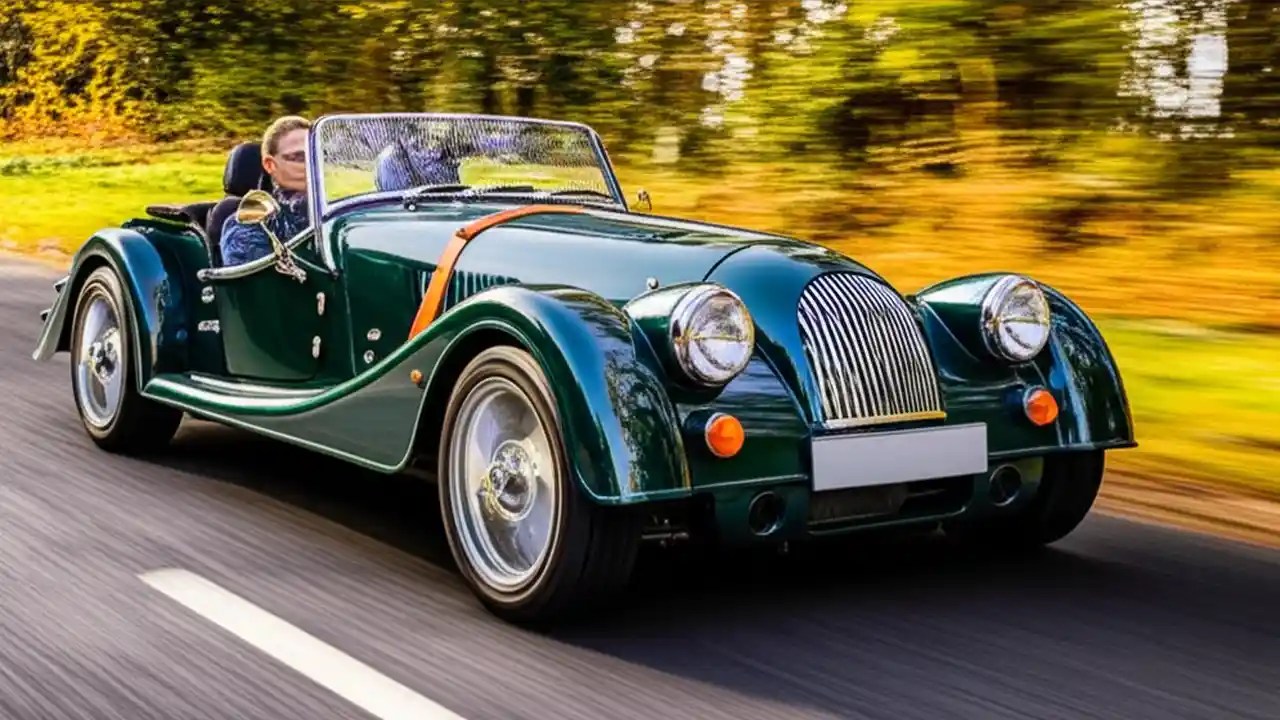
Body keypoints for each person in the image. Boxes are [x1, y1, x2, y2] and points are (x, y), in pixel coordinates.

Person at [220, 115, 313, 266]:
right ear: (270, 165)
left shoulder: (342, 210)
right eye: (300, 157)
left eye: (318, 156)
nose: (313, 165)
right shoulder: (251, 222)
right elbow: (258, 284)